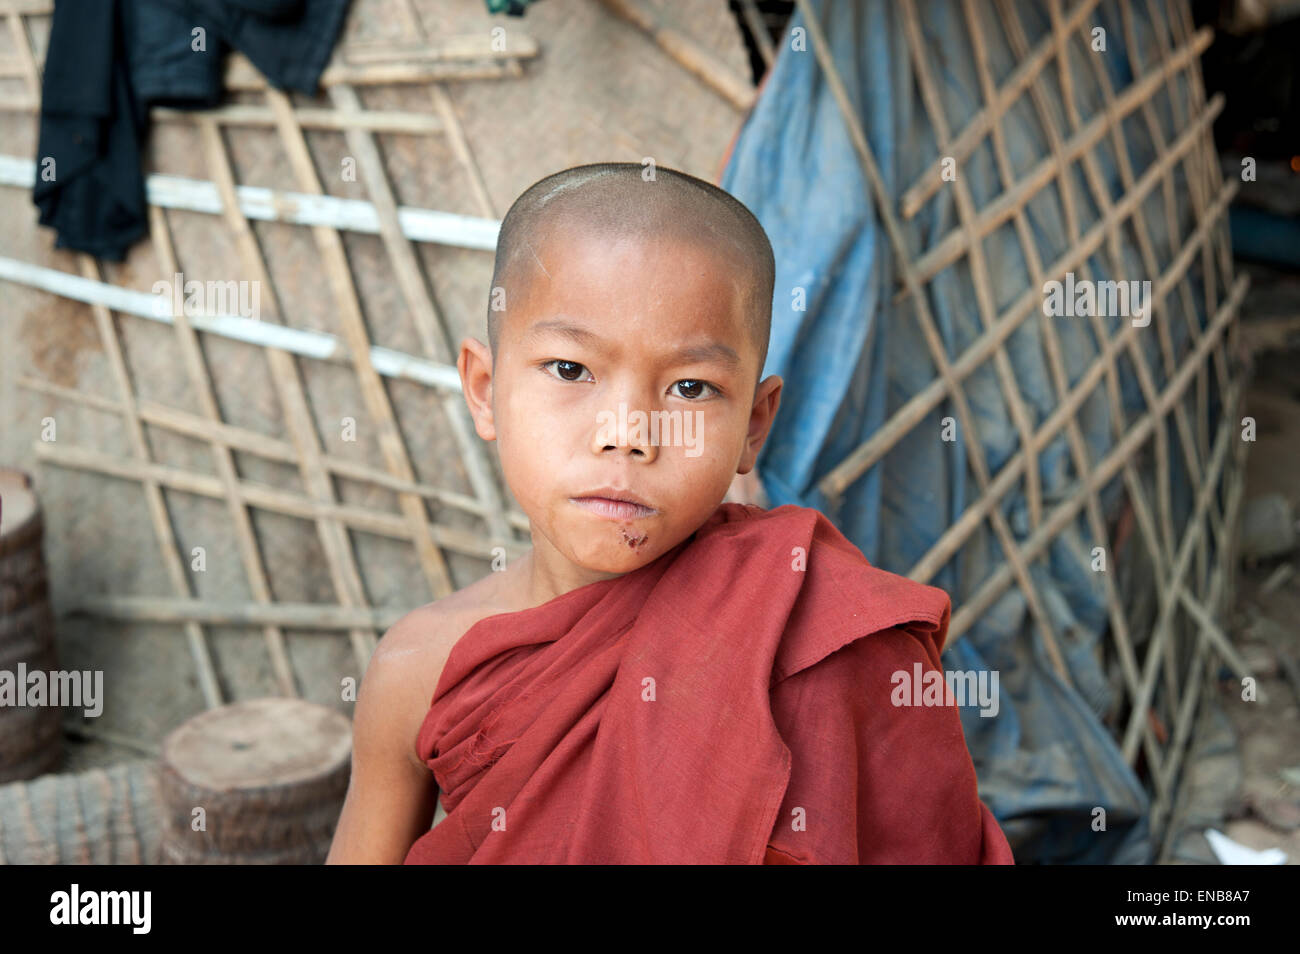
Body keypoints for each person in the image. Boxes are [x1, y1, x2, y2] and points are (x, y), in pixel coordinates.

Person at [325, 162, 1014, 864]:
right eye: (571, 370)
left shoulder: (824, 634)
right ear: (484, 389)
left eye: (690, 387)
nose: (627, 432)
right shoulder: (417, 666)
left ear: (753, 424)